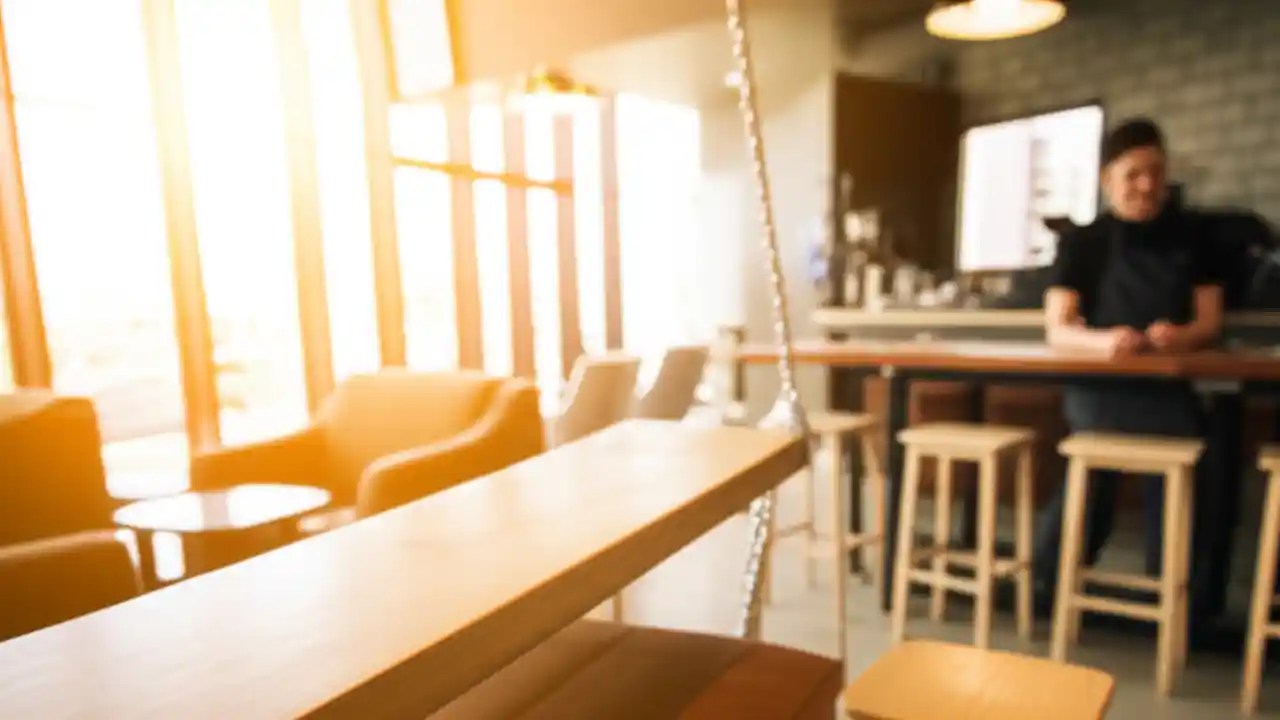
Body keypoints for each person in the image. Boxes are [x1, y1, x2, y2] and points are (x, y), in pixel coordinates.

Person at [1033, 118, 1224, 609]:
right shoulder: (1084, 242)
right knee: (1096, 469)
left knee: (1188, 464)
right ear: (1107, 179)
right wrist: (1104, 343)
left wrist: (1179, 336)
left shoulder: (1195, 236)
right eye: (1133, 174)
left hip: (1167, 388)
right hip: (1099, 389)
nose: (1147, 184)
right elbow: (1058, 329)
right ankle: (1049, 586)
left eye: (1156, 172)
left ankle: (1177, 598)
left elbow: (1209, 322)